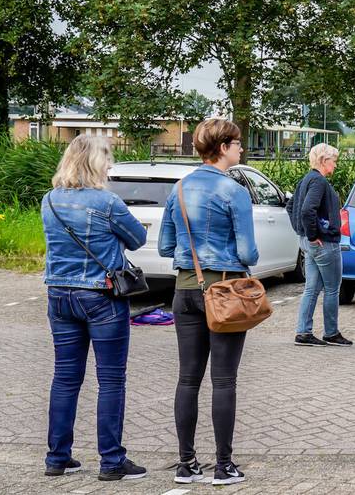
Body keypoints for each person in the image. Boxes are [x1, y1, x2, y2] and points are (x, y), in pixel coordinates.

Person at [41, 135, 148, 482]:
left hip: (59, 295)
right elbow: (138, 238)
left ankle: (57, 458)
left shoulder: (49, 200)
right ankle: (112, 461)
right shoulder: (107, 201)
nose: (111, 165)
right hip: (102, 297)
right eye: (108, 159)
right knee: (111, 380)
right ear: (97, 163)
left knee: (65, 378)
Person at [159, 118, 258, 486]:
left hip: (185, 289)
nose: (242, 148)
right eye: (238, 143)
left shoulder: (180, 188)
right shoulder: (234, 191)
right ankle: (224, 465)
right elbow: (248, 252)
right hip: (224, 291)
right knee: (224, 380)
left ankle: (186, 464)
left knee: (188, 379)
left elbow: (165, 246)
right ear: (223, 148)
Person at [292, 143, 351, 348]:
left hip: (310, 244)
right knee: (332, 289)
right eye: (334, 161)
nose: (335, 165)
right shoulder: (319, 181)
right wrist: (312, 234)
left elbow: (292, 206)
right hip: (323, 243)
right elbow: (307, 210)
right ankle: (331, 332)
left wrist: (302, 232)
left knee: (311, 288)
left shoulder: (305, 180)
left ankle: (303, 332)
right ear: (324, 161)